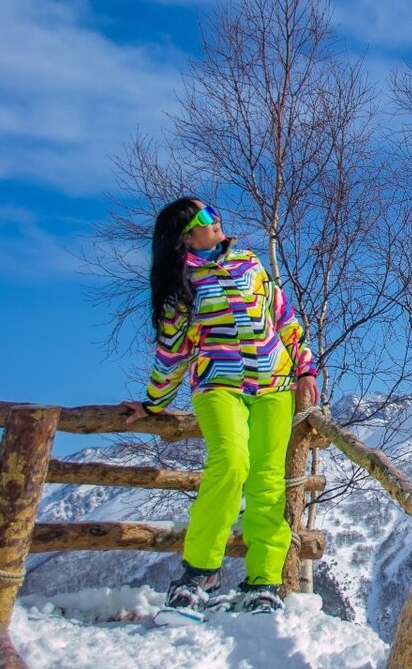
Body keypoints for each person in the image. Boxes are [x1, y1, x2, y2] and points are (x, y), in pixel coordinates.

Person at [122, 198, 319, 622]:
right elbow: (171, 351)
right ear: (186, 234)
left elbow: (283, 318)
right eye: (206, 216)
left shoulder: (249, 263)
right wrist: (154, 402)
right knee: (230, 464)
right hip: (218, 386)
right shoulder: (182, 281)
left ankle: (263, 583)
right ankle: (197, 576)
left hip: (275, 387)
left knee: (268, 483)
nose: (217, 219)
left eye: (212, 212)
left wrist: (305, 368)